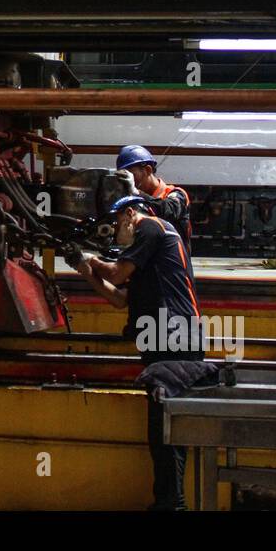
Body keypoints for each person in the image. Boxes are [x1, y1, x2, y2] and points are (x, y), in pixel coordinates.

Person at [73, 194, 202, 510]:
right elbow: (119, 298)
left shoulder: (152, 227)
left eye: (117, 225)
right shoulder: (147, 253)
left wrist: (91, 259)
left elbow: (115, 274)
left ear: (131, 214)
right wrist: (84, 269)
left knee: (167, 426)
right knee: (161, 426)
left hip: (173, 335)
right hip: (164, 336)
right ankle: (168, 501)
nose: (117, 233)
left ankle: (173, 504)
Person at [115, 145, 192, 253]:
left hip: (172, 265)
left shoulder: (176, 194)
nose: (130, 181)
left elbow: (168, 211)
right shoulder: (132, 200)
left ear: (147, 170)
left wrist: (137, 193)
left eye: (132, 175)